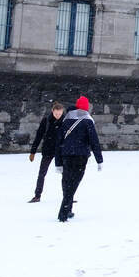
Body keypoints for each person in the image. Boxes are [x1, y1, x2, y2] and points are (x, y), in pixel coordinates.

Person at [55, 95, 104, 223]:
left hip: (66, 155)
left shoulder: (66, 119)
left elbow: (59, 142)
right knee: (74, 183)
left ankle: (68, 209)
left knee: (66, 181)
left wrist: (58, 163)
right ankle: (63, 212)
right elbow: (94, 141)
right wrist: (99, 159)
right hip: (81, 156)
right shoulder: (88, 121)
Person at [26, 101, 66, 203]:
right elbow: (39, 136)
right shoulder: (46, 121)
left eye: (60, 114)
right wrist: (33, 152)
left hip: (61, 151)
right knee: (42, 173)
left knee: (65, 174)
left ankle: (67, 196)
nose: (58, 116)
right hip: (48, 150)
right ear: (52, 111)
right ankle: (37, 195)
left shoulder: (66, 121)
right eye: (56, 113)